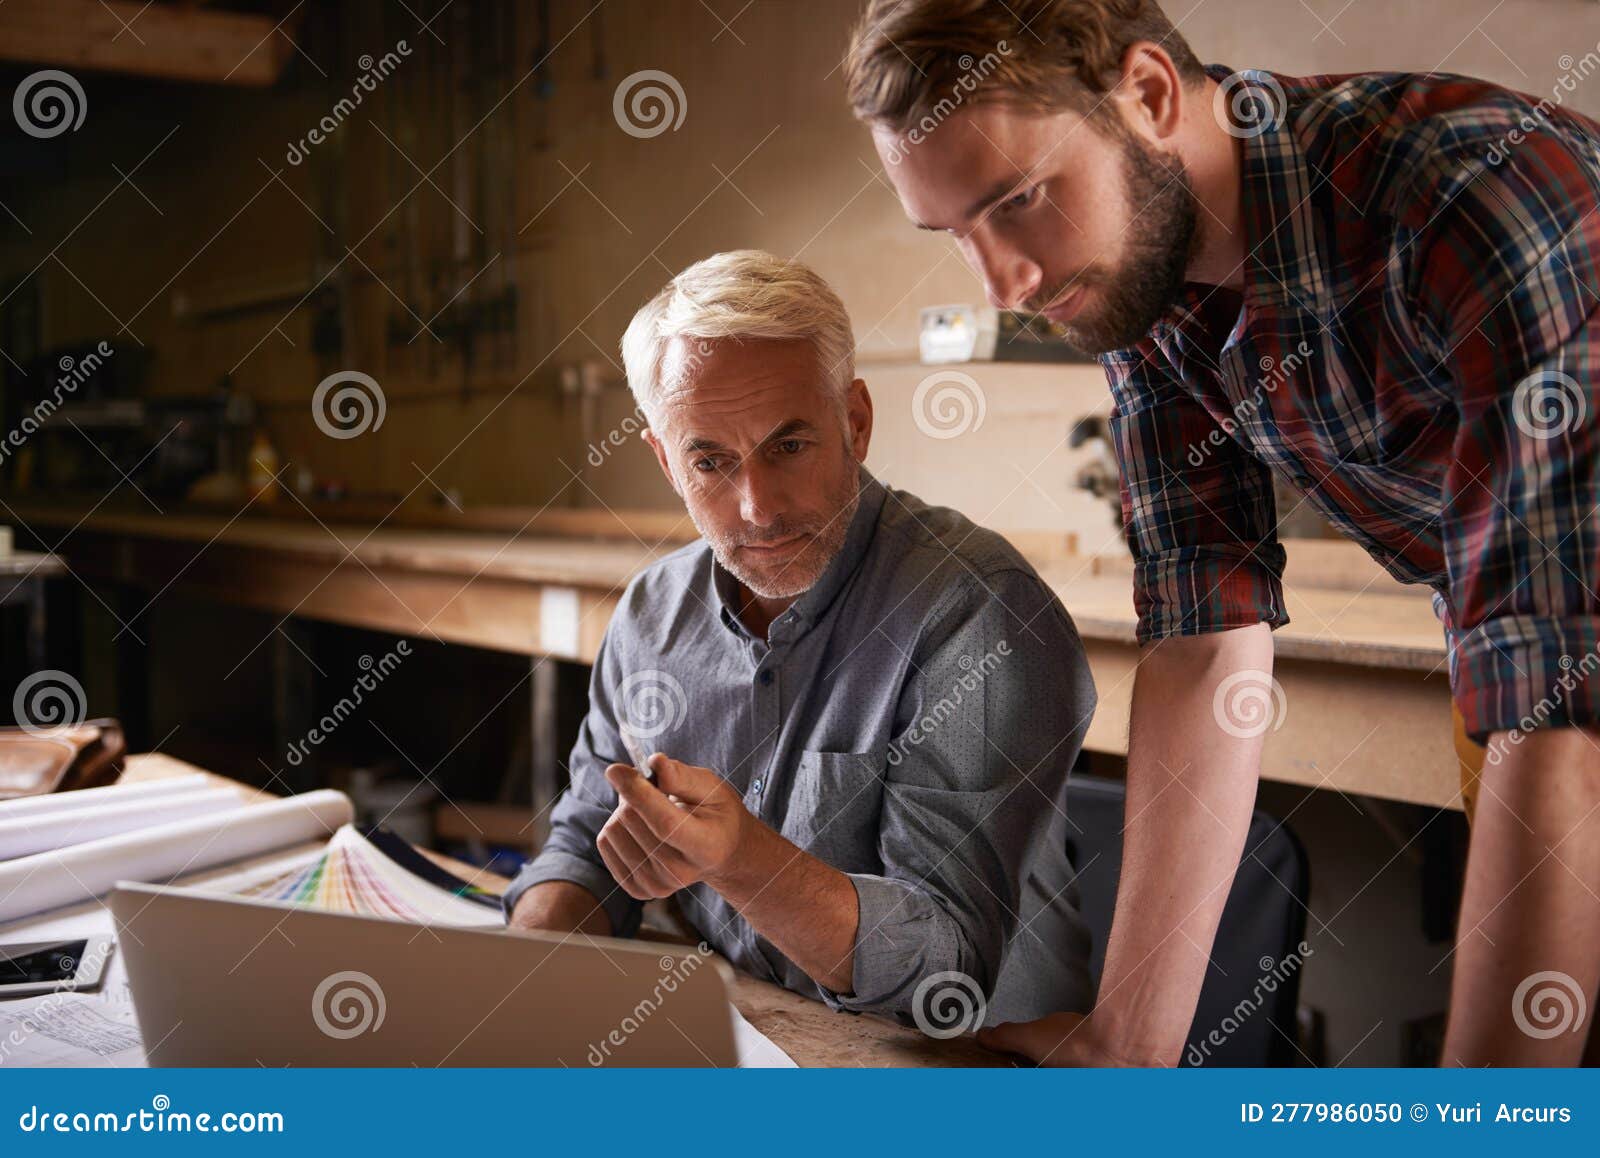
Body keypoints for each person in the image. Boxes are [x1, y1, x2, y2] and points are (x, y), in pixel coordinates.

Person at [846, 0, 1600, 1065]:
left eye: (1018, 199)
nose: (1006, 282)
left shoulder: (1472, 196)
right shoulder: (1143, 285)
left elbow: (1558, 689)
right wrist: (1125, 1048)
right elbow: (1204, 636)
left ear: (1149, 93)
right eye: (956, 233)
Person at [504, 249, 1097, 1028]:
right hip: (765, 1033)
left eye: (788, 447)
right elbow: (589, 844)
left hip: (973, 1067)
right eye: (710, 461)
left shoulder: (979, 611)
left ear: (856, 421)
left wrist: (739, 860)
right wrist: (524, 971)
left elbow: (947, 977)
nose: (757, 508)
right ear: (666, 462)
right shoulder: (651, 614)